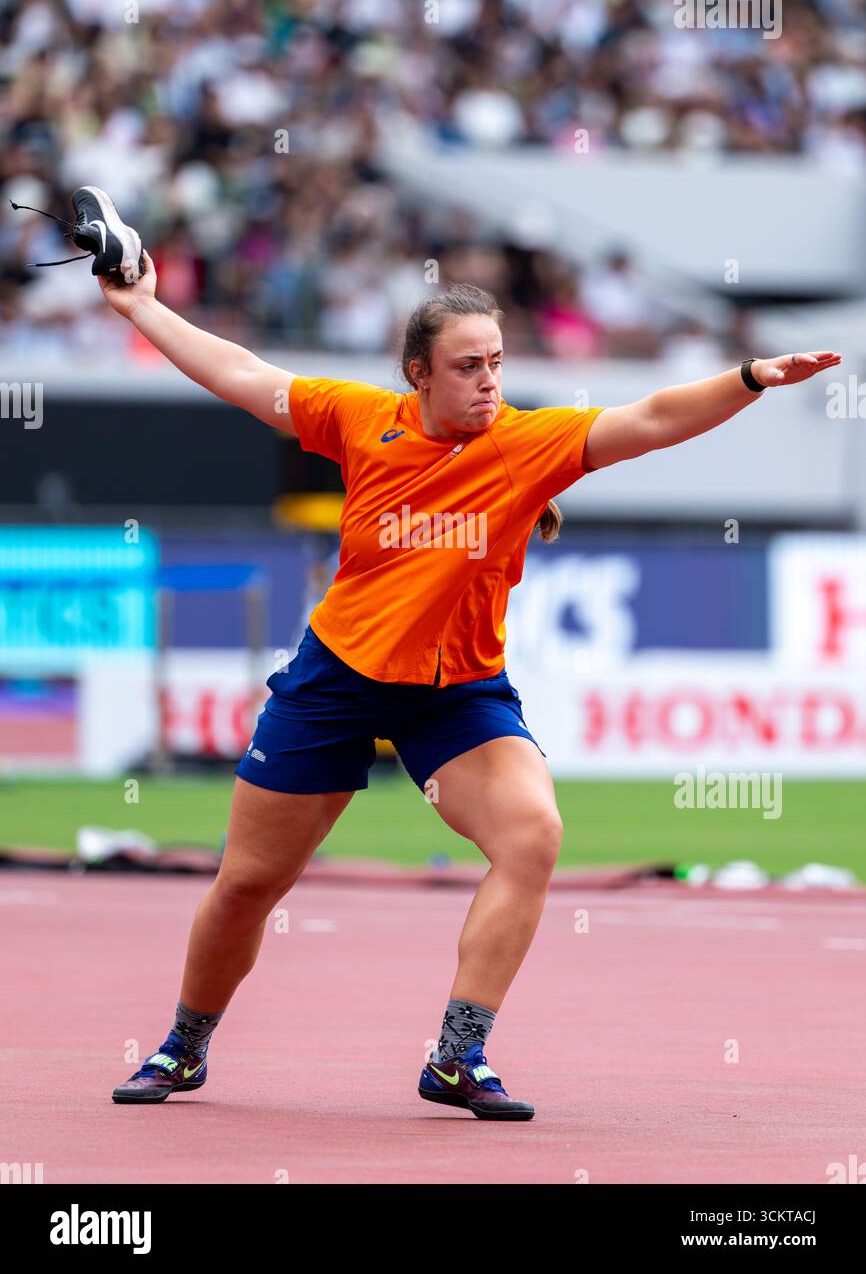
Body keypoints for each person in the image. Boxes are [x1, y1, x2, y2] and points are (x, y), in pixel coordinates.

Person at [101, 252, 841, 1119]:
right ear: (419, 373)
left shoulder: (529, 444)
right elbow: (239, 372)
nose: (489, 381)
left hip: (456, 695)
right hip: (337, 679)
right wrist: (139, 308)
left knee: (533, 836)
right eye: (467, 366)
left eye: (495, 362)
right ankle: (184, 1046)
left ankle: (457, 1056)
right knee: (249, 884)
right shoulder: (358, 419)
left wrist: (750, 376)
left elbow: (650, 418)